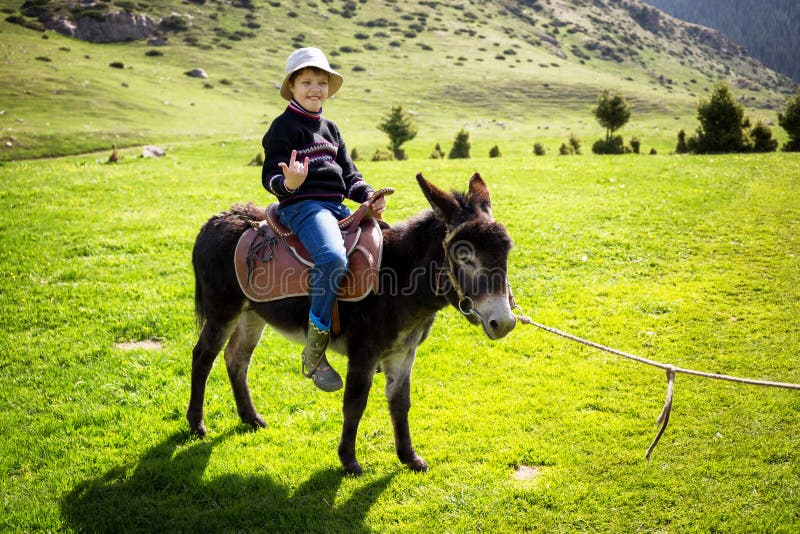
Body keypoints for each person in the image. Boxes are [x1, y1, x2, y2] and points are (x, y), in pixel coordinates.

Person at [261, 47, 386, 392]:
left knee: (386, 246)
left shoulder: (330, 128)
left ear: (329, 87)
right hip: (303, 206)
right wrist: (290, 183)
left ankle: (371, 336)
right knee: (332, 257)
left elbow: (349, 175)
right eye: (306, 82)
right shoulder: (283, 127)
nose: (314, 88)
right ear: (292, 86)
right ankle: (314, 352)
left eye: (321, 82)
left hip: (335, 207)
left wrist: (368, 196)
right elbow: (271, 175)